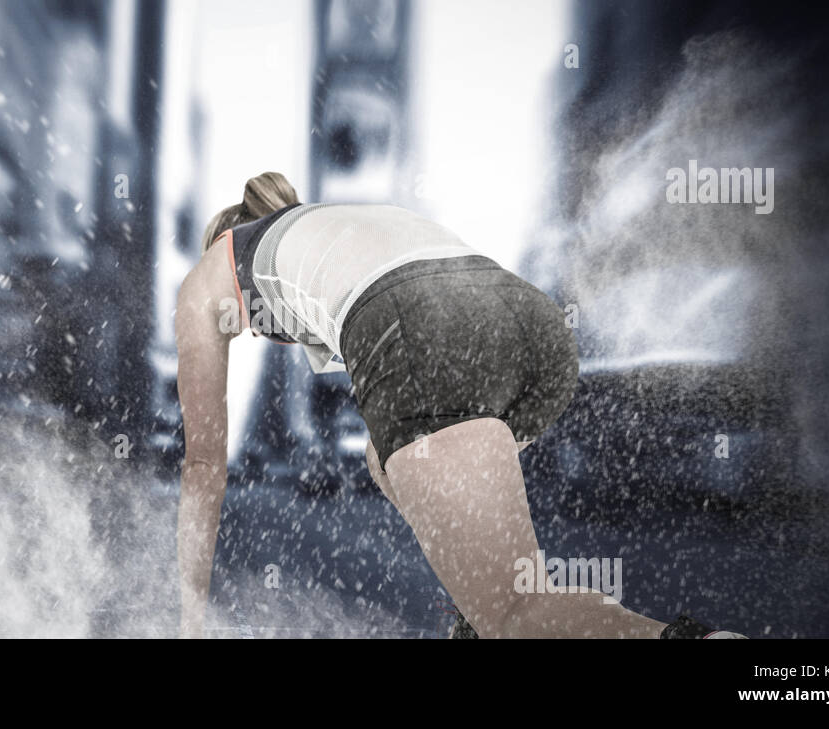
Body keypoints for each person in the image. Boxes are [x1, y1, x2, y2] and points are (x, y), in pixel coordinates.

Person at [174, 171, 744, 639]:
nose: (254, 333)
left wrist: (187, 621)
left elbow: (203, 469)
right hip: (533, 335)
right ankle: (482, 620)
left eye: (248, 328)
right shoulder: (334, 224)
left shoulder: (207, 280)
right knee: (387, 458)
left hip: (422, 332)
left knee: (518, 611)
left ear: (222, 241)